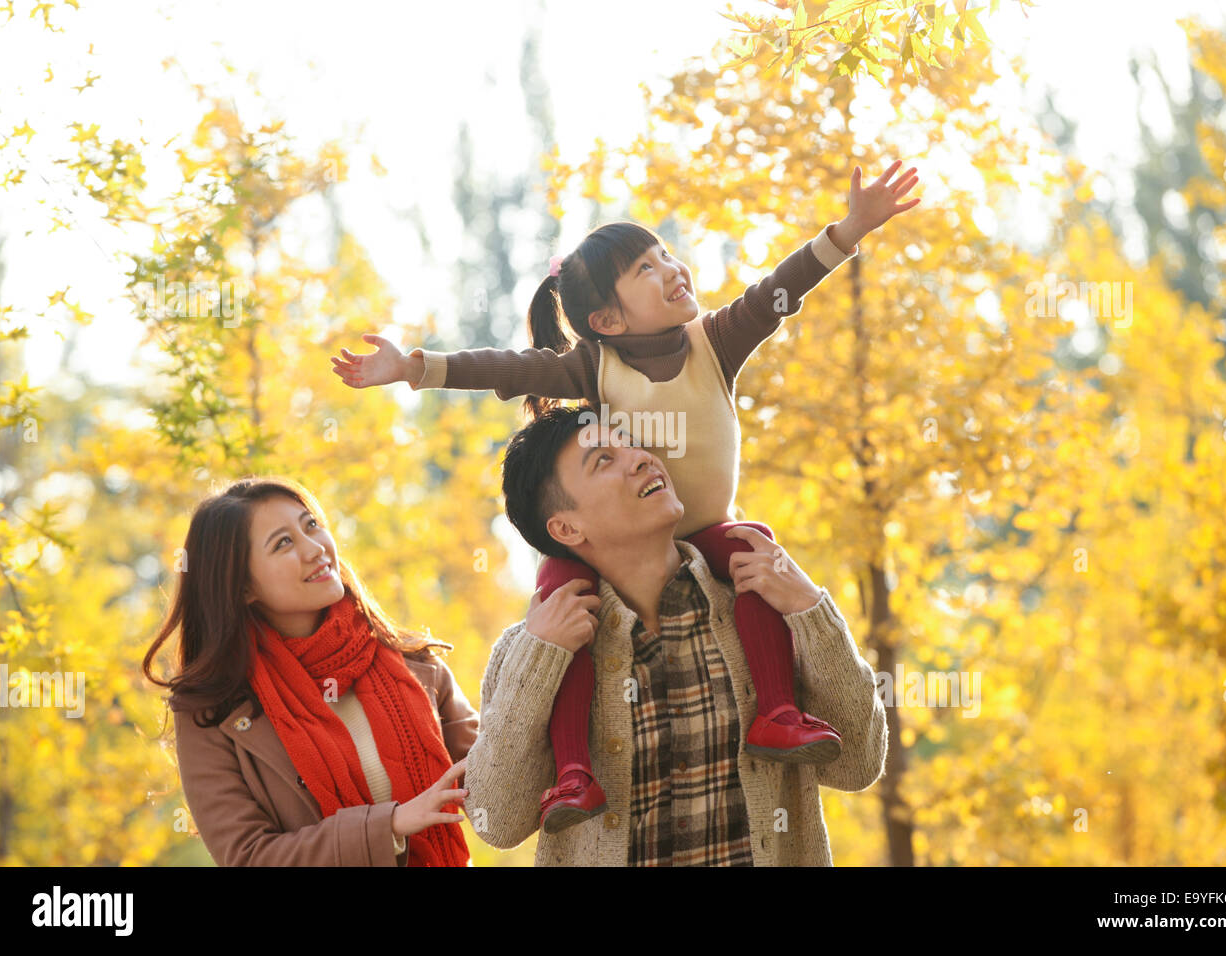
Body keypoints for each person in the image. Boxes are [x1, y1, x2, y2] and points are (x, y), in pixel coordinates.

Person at [331, 160, 917, 832]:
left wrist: (848, 232)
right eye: (646, 268)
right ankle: (574, 769)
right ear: (606, 317)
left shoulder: (714, 342)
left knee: (759, 555)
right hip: (620, 550)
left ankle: (777, 711)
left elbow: (778, 291)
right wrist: (414, 368)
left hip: (704, 531)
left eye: (665, 253)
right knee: (562, 612)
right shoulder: (594, 366)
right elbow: (509, 367)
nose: (672, 268)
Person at [463, 406, 888, 865]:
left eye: (630, 443)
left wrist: (811, 610)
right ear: (567, 528)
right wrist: (540, 655)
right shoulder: (531, 653)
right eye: (603, 460)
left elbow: (857, 764)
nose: (640, 458)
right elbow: (495, 821)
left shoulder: (765, 606)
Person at [143, 476, 477, 866]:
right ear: (244, 588)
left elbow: (498, 787)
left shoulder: (412, 663)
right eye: (283, 543)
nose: (315, 548)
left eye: (311, 525)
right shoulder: (213, 712)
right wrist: (388, 827)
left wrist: (538, 649)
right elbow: (250, 857)